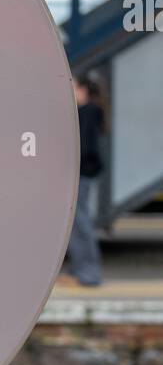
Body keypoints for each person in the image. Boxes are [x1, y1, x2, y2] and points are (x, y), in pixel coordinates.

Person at [66, 74, 105, 287]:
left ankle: (89, 272)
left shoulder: (88, 111)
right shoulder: (90, 110)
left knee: (80, 222)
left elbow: (85, 145)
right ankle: (80, 270)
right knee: (76, 222)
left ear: (82, 89)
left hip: (82, 172)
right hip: (84, 171)